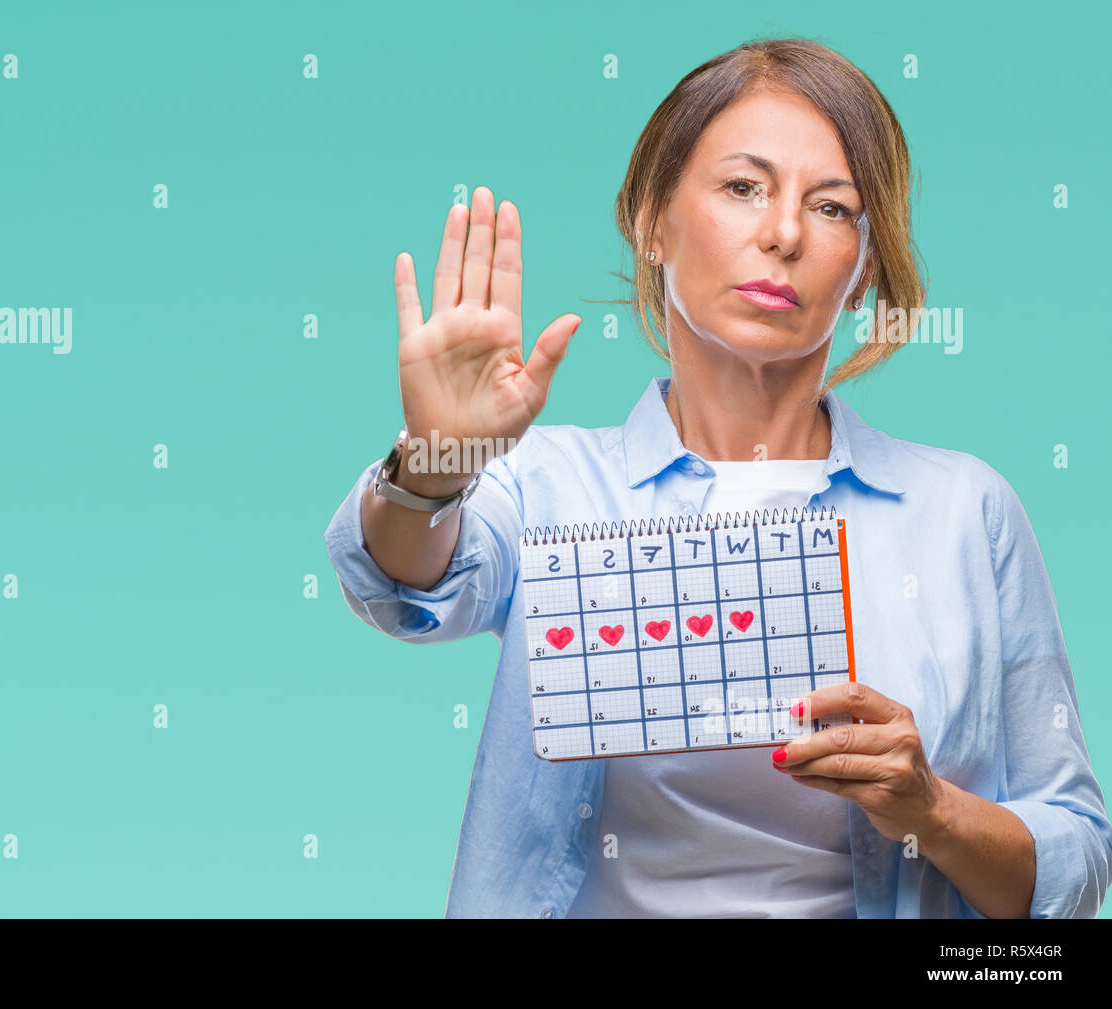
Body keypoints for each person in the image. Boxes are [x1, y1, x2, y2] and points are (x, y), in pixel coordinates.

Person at [323, 36, 1111, 918]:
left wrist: (932, 809)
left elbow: (1074, 854)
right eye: (744, 187)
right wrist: (438, 462)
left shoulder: (967, 512)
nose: (782, 233)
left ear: (861, 274)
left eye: (834, 208)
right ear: (653, 220)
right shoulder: (546, 484)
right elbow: (399, 584)